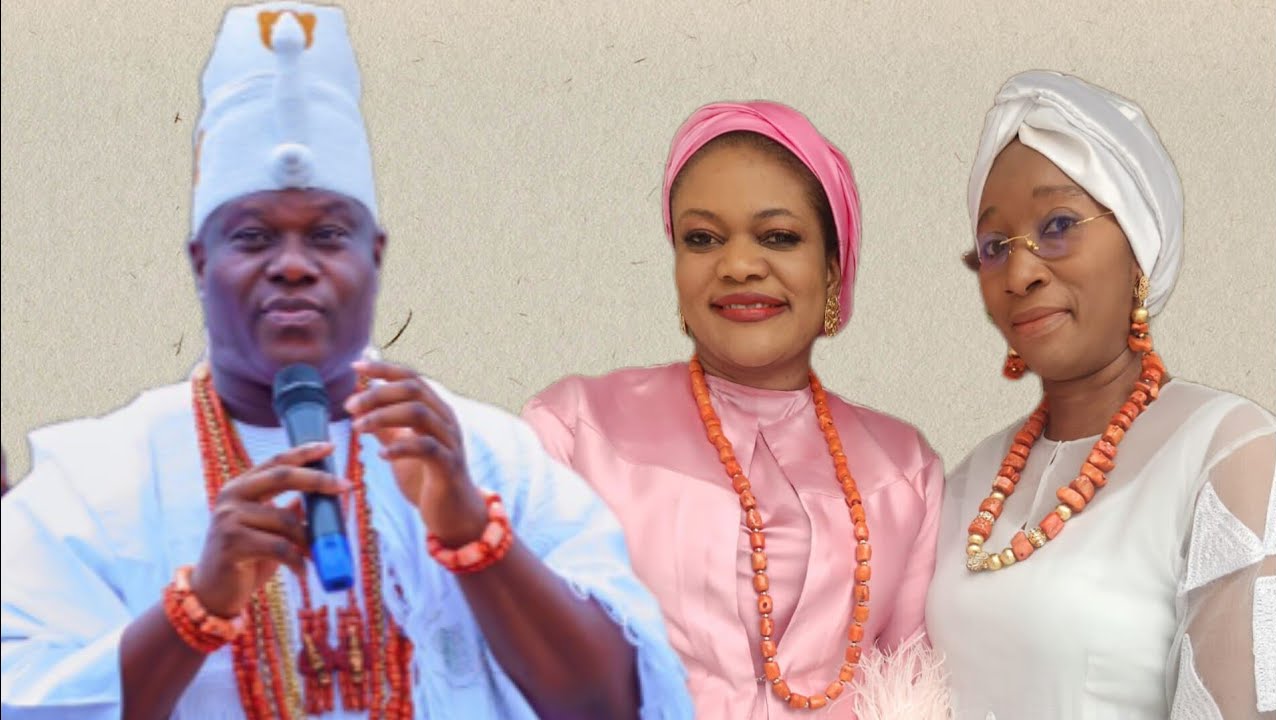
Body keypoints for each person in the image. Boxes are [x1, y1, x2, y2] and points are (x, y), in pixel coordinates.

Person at [0, 3, 693, 719]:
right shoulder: (91, 485)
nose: (292, 266)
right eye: (253, 237)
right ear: (201, 262)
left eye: (328, 233)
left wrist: (472, 535)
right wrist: (196, 609)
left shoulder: (488, 458)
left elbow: (618, 705)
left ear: (375, 257)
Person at [521, 101, 948, 718]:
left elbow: (914, 686)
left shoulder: (903, 469)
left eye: (778, 236)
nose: (739, 265)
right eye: (703, 238)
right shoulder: (574, 432)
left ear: (833, 270)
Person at [925, 70, 1276, 719]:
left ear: (1138, 249)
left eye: (1058, 224)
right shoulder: (964, 482)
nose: (1021, 271)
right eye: (995, 245)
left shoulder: (1229, 453)